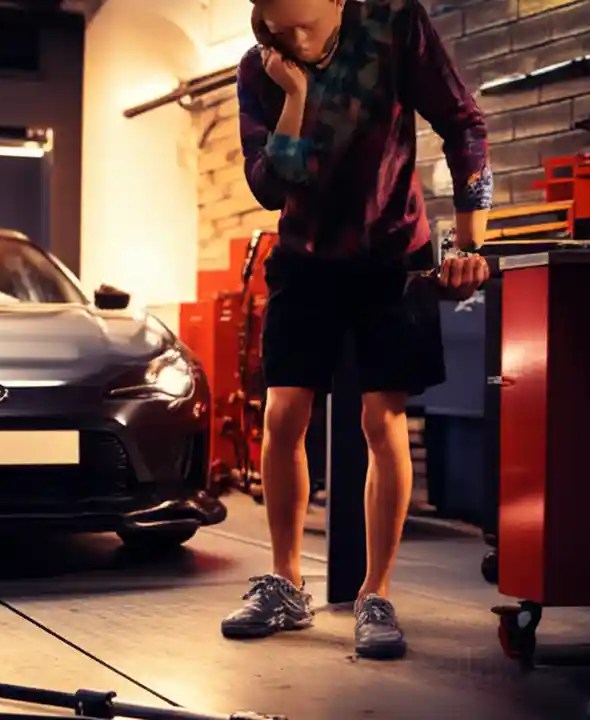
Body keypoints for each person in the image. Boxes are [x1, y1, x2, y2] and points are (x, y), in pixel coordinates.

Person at [220, 0, 492, 660]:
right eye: (275, 26)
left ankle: (376, 592)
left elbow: (463, 122)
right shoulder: (261, 69)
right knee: (283, 416)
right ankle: (285, 583)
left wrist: (466, 244)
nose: (289, 35)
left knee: (381, 420)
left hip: (391, 256)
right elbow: (268, 185)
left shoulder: (394, 23)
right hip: (305, 261)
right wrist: (296, 95)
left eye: (299, 25)